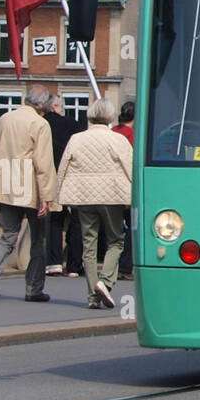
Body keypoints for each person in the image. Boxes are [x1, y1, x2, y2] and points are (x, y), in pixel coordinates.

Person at [0, 84, 58, 303]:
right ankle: (33, 289)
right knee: (38, 239)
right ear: (43, 103)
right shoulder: (40, 123)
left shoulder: (5, 119)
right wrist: (46, 196)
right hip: (30, 187)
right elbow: (42, 162)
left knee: (8, 235)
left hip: (5, 183)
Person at [56, 98, 133, 309]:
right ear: (109, 116)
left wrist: (58, 194)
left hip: (84, 195)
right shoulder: (118, 140)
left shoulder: (76, 139)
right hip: (111, 195)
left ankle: (92, 296)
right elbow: (130, 168)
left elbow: (63, 167)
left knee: (88, 246)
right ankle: (106, 282)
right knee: (116, 240)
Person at [44, 94, 83, 277]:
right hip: (72, 176)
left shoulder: (41, 124)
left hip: (49, 176)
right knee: (76, 219)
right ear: (55, 107)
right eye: (61, 107)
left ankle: (54, 262)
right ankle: (74, 265)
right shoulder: (72, 125)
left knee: (54, 220)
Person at [112, 100, 135, 276]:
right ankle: (125, 266)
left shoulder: (113, 132)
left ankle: (112, 265)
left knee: (113, 229)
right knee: (131, 227)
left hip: (110, 186)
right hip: (126, 186)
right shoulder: (131, 135)